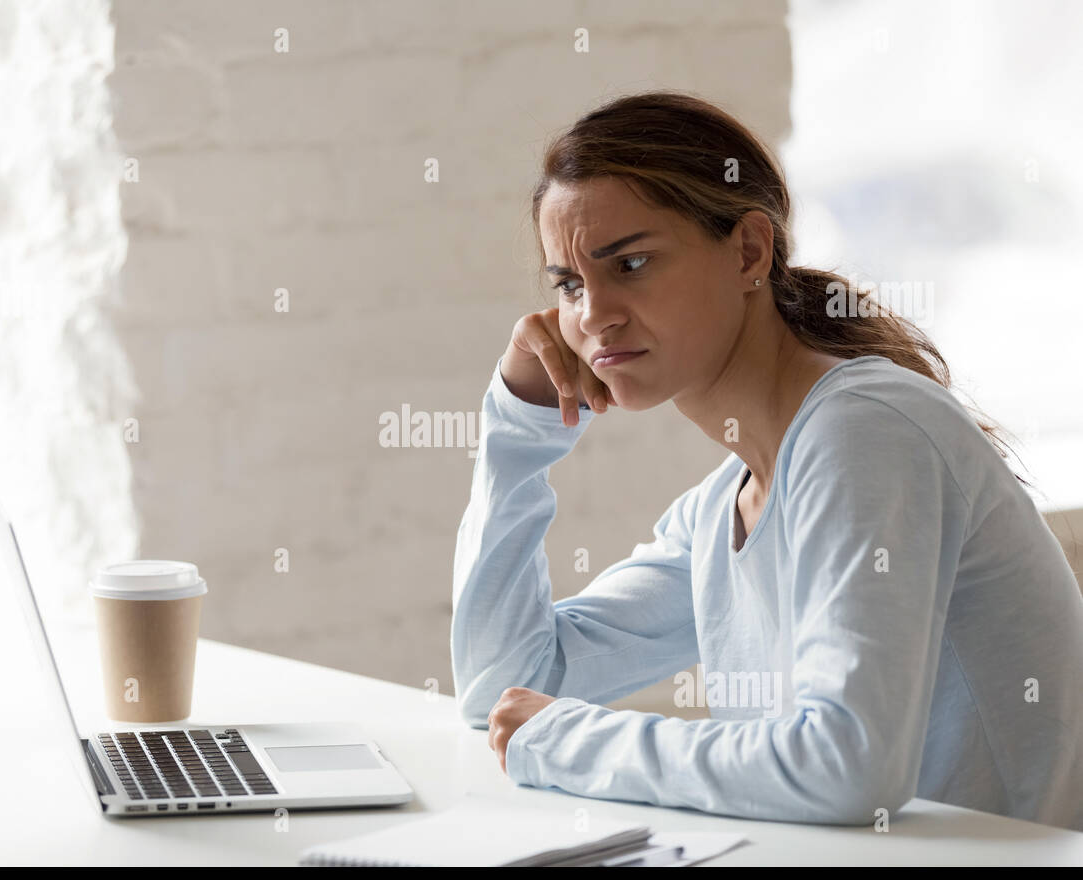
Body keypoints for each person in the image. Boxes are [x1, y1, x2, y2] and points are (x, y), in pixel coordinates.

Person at [450, 91, 1083, 830]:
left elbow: (847, 767)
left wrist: (563, 738)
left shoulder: (867, 432)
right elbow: (507, 686)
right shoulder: (727, 504)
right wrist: (520, 419)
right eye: (568, 284)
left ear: (749, 251)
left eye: (631, 263)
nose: (592, 315)